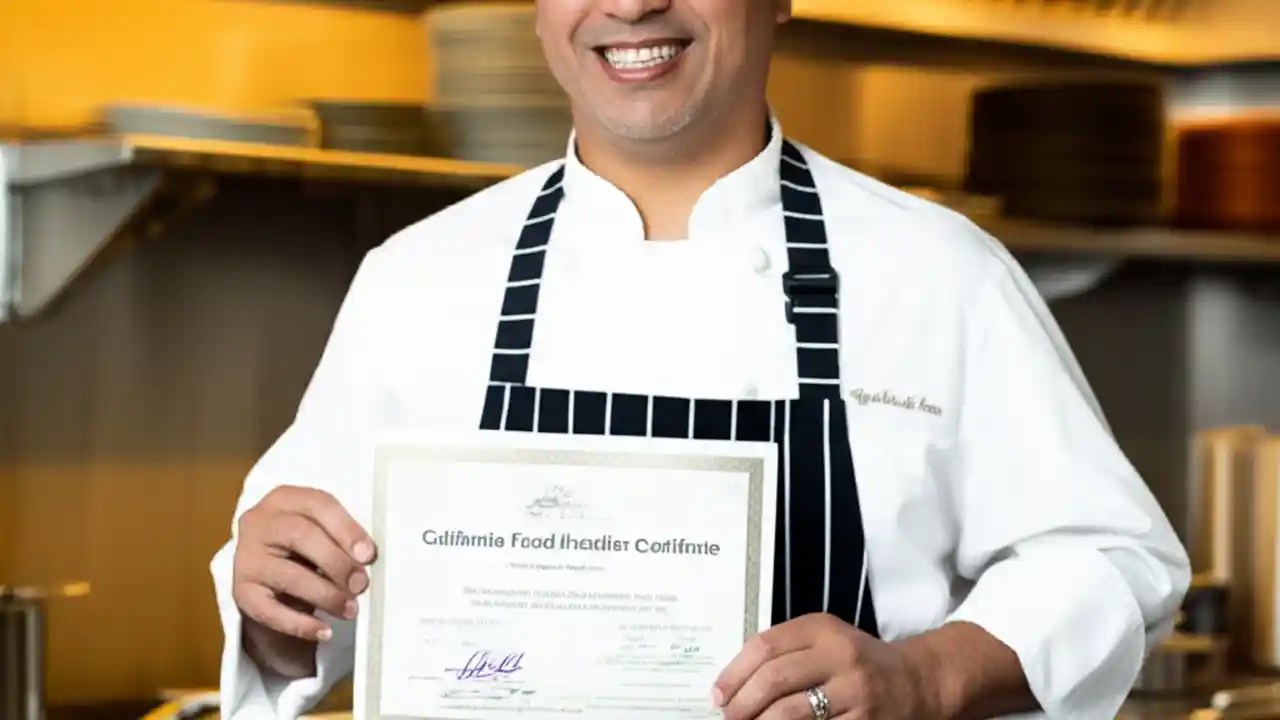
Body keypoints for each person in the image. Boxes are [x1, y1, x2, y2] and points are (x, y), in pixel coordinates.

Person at [210, 0, 1191, 717]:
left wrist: (923, 676)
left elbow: (1109, 560)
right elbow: (310, 623)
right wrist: (274, 599)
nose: (632, 4)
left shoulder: (936, 273)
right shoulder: (418, 280)